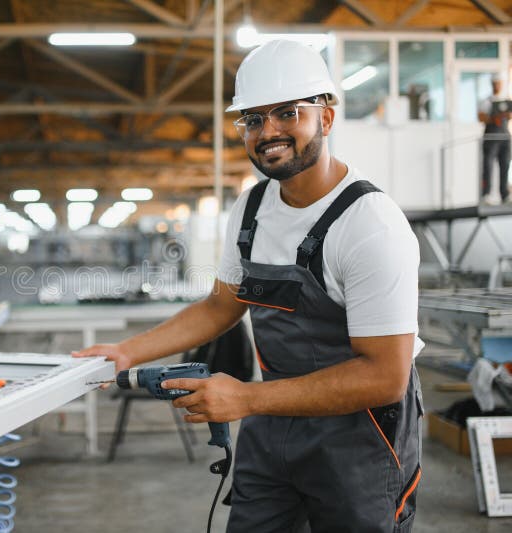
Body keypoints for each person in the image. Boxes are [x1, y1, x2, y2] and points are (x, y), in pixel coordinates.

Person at [74, 39, 424, 532]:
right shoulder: (252, 208)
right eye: (254, 119)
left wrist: (247, 399)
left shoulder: (370, 225)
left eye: (287, 113)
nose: (269, 131)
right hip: (274, 426)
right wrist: (128, 352)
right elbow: (221, 305)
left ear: (325, 118)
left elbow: (384, 376)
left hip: (360, 436)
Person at [478, 74, 511, 204]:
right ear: (492, 84)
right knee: (488, 166)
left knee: (505, 165)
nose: (497, 85)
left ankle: (505, 195)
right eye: (495, 83)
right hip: (491, 137)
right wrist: (493, 119)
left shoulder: (506, 100)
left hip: (504, 137)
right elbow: (481, 117)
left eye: (499, 83)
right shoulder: (486, 101)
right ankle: (486, 194)